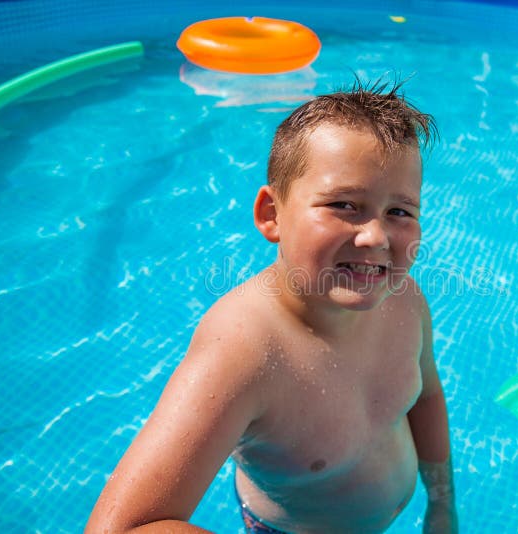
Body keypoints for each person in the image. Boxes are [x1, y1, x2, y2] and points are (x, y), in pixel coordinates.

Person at [86, 80, 457, 534]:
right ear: (271, 215)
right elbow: (123, 527)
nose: (376, 238)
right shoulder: (245, 349)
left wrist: (441, 505)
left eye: (400, 212)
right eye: (344, 204)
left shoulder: (403, 300)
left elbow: (427, 397)